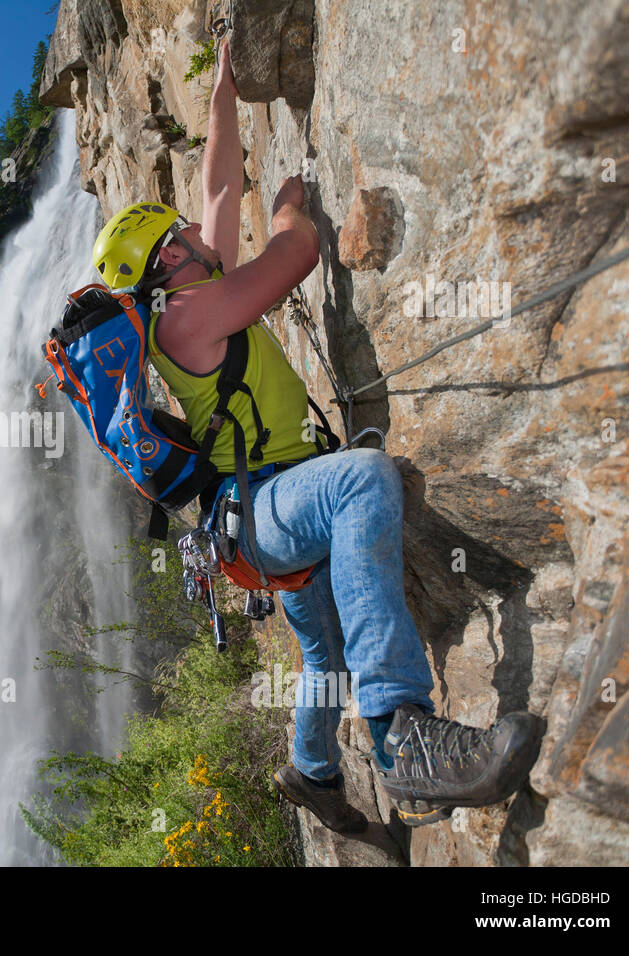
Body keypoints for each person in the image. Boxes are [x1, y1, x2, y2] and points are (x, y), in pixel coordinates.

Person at [88, 35, 542, 831]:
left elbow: (218, 184)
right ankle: (401, 738)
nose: (197, 230)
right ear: (167, 260)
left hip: (261, 515)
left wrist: (223, 94)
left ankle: (312, 770)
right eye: (182, 232)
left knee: (324, 652)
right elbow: (296, 251)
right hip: (267, 509)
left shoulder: (190, 296)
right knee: (361, 481)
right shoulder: (187, 317)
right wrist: (289, 206)